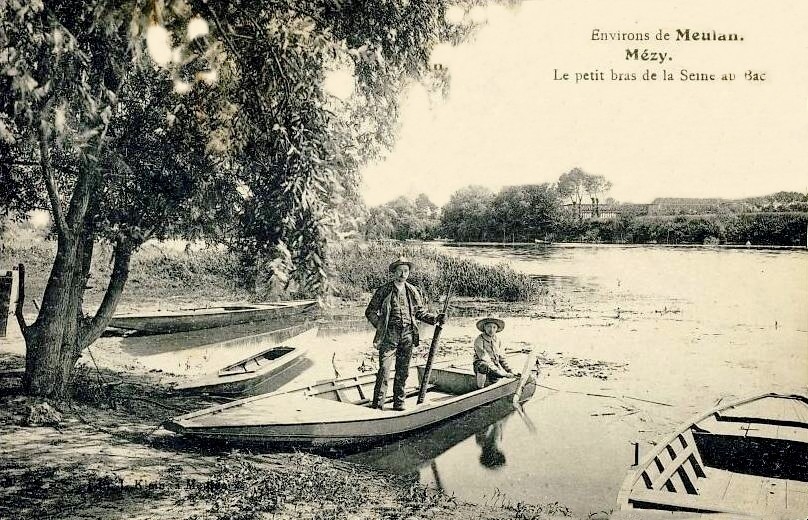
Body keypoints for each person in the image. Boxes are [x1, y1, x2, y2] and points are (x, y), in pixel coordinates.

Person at [365, 256, 446, 411]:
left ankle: (399, 403)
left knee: (403, 370)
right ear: (394, 272)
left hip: (408, 335)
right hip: (390, 335)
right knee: (384, 370)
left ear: (409, 273)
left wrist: (435, 319)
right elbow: (370, 312)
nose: (403, 274)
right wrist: (381, 326)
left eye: (406, 271)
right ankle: (377, 406)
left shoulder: (412, 290)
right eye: (400, 271)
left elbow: (420, 313)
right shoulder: (384, 290)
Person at [473, 316, 517, 388]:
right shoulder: (479, 340)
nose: (491, 330)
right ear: (484, 327)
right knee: (483, 366)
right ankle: (480, 389)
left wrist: (510, 371)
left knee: (501, 378)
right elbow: (484, 358)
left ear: (497, 329)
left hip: (495, 366)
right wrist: (501, 373)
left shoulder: (498, 340)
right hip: (481, 366)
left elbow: (501, 358)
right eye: (489, 327)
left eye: (494, 327)